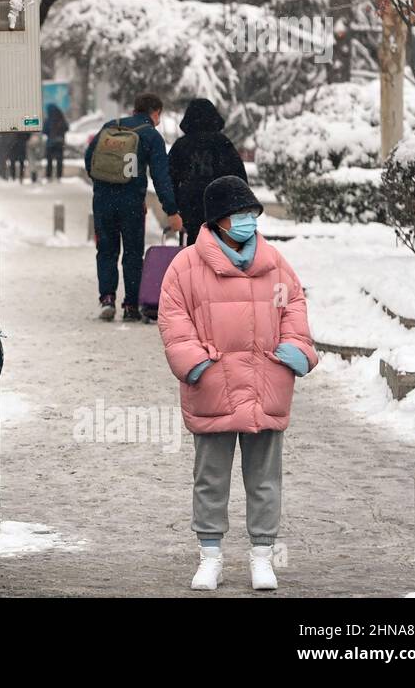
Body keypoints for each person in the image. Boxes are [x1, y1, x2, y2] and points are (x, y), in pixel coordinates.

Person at [158, 175, 317, 592]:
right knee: (210, 478)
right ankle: (210, 556)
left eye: (252, 214)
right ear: (218, 221)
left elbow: (294, 309)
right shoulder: (185, 267)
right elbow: (174, 323)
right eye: (240, 215)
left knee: (265, 478)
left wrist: (294, 351)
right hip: (213, 387)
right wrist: (197, 366)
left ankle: (262, 557)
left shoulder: (276, 263)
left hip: (267, 384)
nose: (248, 221)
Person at [84, 92, 183, 322]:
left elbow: (90, 160)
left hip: (102, 201)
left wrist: (104, 185)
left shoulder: (111, 127)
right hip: (131, 203)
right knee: (132, 253)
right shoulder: (151, 136)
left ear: (134, 110)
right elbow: (161, 177)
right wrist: (171, 209)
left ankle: (107, 297)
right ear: (155, 112)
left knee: (106, 250)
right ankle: (130, 305)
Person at [167, 98, 247, 245]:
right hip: (219, 207)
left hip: (190, 207)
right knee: (219, 247)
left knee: (194, 246)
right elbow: (238, 177)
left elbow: (170, 179)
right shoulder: (223, 144)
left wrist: (174, 206)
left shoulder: (181, 145)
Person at [44, 103, 68, 181]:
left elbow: (44, 130)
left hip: (50, 143)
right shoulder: (61, 119)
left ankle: (49, 176)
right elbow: (66, 128)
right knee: (59, 160)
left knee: (49, 161)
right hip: (60, 143)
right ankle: (59, 176)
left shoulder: (48, 120)